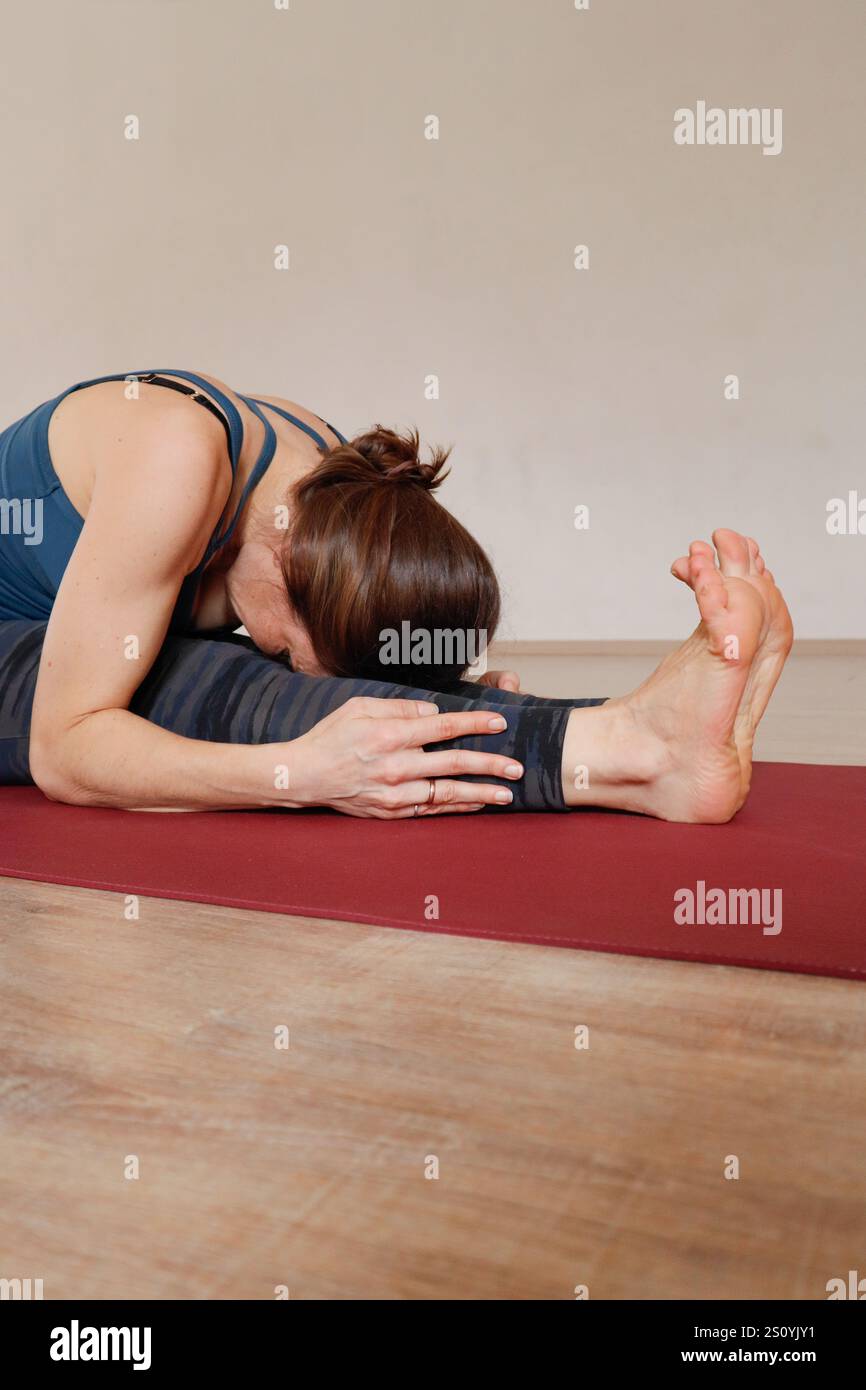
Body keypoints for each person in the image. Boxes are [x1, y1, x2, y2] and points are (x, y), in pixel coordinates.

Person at [0, 368, 792, 819]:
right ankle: (633, 752)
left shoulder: (324, 478)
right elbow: (65, 750)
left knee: (306, 700)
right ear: (283, 561)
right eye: (289, 645)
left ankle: (640, 744)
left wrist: (437, 686)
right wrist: (295, 776)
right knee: (204, 694)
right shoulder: (173, 458)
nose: (289, 657)